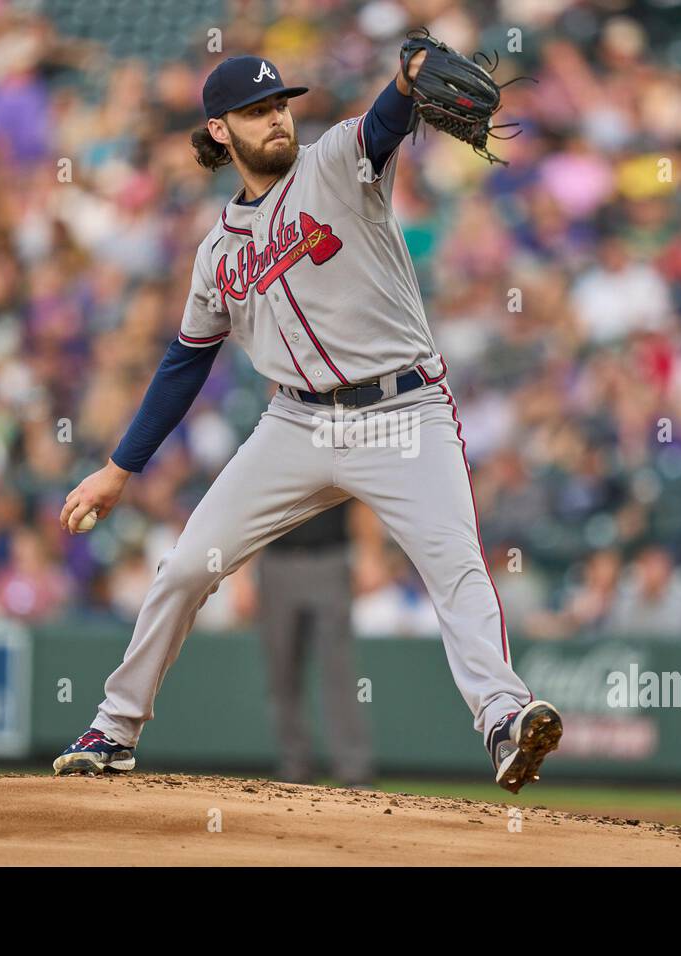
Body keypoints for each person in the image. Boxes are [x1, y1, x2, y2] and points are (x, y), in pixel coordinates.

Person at [51, 50, 562, 792]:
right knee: (189, 565)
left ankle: (504, 718)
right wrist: (118, 469)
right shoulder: (218, 252)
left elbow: (384, 124)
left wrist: (407, 80)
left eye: (280, 104)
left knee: (454, 567)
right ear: (220, 131)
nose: (276, 117)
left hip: (402, 412)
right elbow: (183, 364)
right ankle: (114, 728)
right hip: (295, 425)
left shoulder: (336, 165)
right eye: (257, 111)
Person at [257, 503, 373, 787]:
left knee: (339, 672)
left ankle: (353, 769)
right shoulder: (261, 456)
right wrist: (239, 576)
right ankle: (294, 767)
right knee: (281, 671)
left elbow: (361, 499)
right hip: (276, 560)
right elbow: (248, 507)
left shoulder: (337, 455)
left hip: (330, 558)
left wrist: (371, 554)